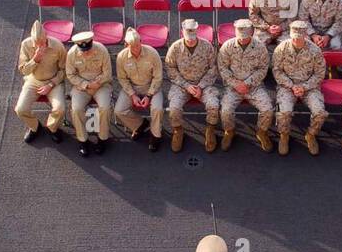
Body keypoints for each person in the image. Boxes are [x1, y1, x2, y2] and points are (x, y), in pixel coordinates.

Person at [217, 18, 274, 151]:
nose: (242, 39)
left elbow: (263, 68)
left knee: (267, 110)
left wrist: (247, 84)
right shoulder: (227, 46)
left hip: (254, 86)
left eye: (245, 36)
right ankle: (229, 131)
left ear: (252, 33)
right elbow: (223, 68)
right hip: (233, 86)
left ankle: (262, 132)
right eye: (240, 36)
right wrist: (236, 84)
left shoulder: (260, 47)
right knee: (225, 110)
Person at [272, 20, 327, 155]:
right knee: (283, 112)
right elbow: (277, 71)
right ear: (290, 36)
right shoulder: (281, 48)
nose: (297, 41)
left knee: (320, 112)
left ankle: (311, 134)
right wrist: (292, 86)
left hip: (309, 86)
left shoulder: (315, 50)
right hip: (287, 86)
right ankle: (284, 135)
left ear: (305, 36)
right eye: (294, 38)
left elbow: (319, 74)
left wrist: (304, 86)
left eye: (300, 38)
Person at [165, 18, 221, 152]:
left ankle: (210, 130)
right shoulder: (175, 47)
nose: (190, 40)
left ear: (197, 32)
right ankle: (178, 131)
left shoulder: (207, 46)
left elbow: (213, 69)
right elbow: (170, 68)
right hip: (182, 85)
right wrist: (186, 85)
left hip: (204, 85)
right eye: (188, 37)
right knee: (173, 108)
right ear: (182, 33)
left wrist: (200, 86)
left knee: (214, 105)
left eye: (193, 36)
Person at [15, 19, 67, 144]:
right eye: (36, 43)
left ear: (46, 37)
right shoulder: (26, 45)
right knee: (20, 109)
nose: (39, 46)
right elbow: (23, 71)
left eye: (42, 42)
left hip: (53, 81)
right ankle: (34, 127)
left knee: (60, 109)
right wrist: (35, 59)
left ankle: (52, 128)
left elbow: (64, 70)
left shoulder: (57, 46)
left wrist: (51, 84)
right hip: (34, 80)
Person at [115, 29, 163, 150]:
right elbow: (122, 78)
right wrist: (132, 95)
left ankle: (155, 135)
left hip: (151, 86)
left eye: (138, 45)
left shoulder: (152, 53)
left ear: (141, 41)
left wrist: (149, 95)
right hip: (132, 87)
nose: (136, 49)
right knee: (119, 110)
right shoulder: (121, 57)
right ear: (126, 45)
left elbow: (158, 77)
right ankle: (140, 124)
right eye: (132, 46)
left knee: (157, 108)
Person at [66, 30, 112, 156]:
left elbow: (107, 73)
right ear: (78, 46)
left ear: (92, 43)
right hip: (81, 86)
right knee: (76, 109)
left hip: (101, 85)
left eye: (88, 50)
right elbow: (70, 74)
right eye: (83, 51)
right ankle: (83, 140)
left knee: (105, 107)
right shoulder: (71, 54)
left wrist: (98, 81)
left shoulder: (102, 50)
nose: (86, 53)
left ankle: (102, 139)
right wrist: (85, 84)